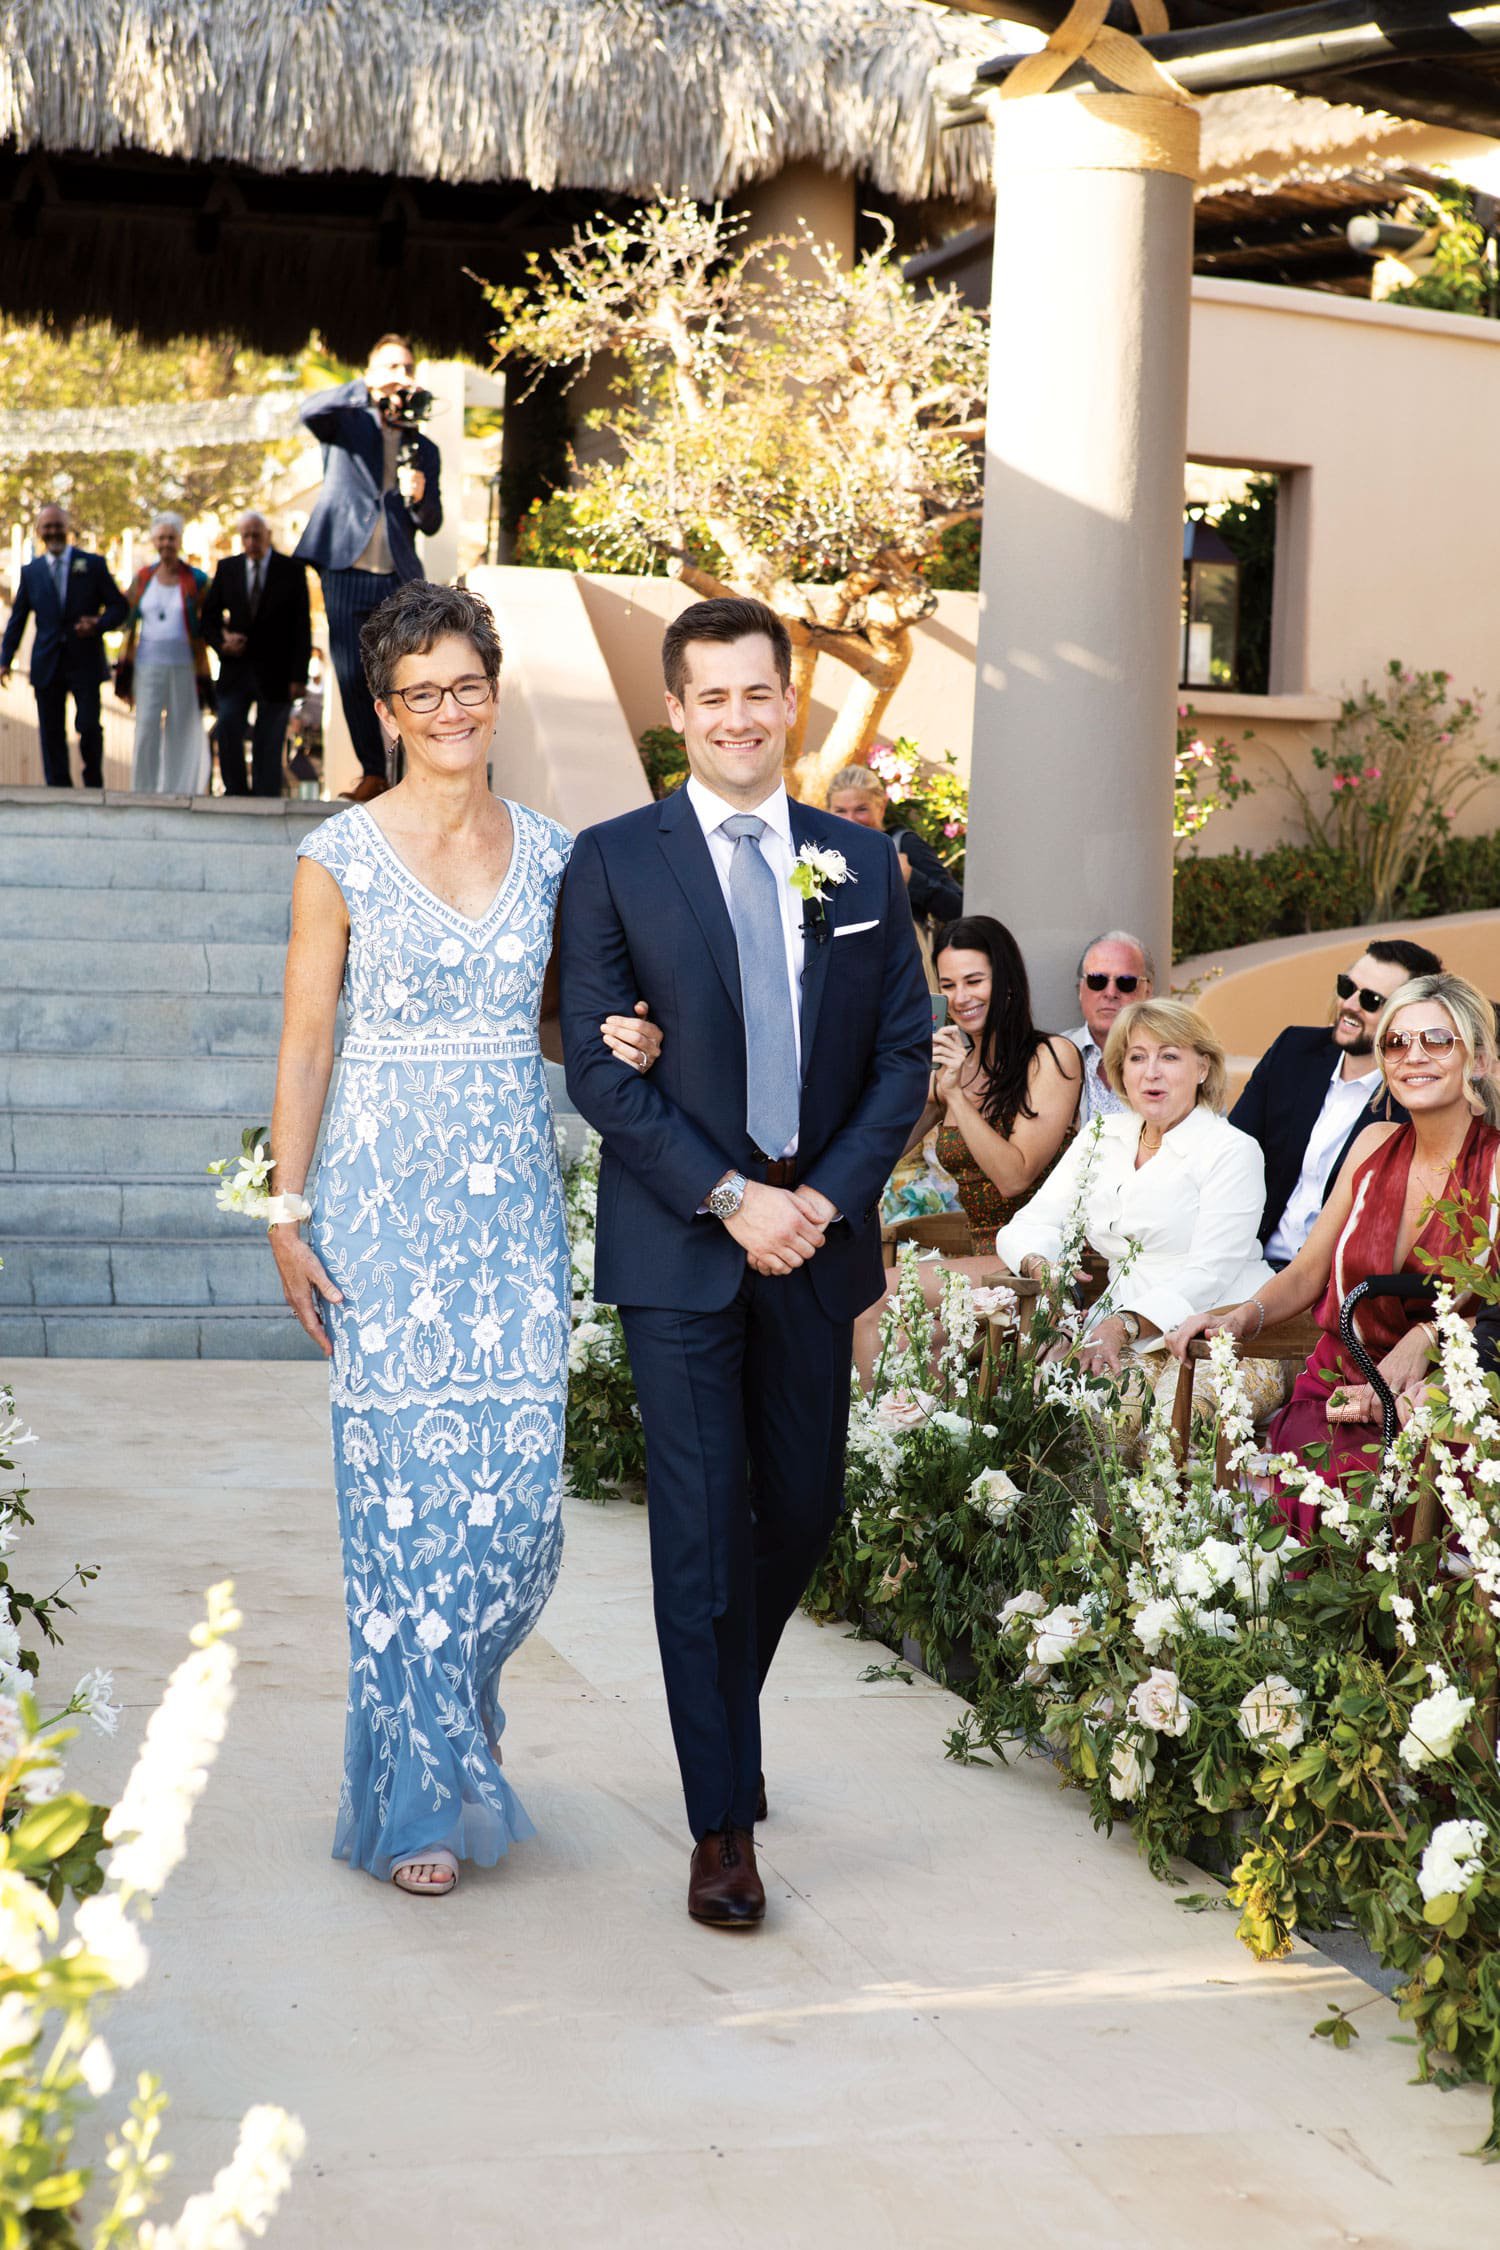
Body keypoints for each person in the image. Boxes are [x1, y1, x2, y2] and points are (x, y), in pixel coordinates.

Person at [265, 579, 659, 1896]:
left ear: (496, 694)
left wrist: (626, 1037)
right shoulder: (338, 856)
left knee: (515, 1512)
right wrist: (287, 1207)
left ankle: (454, 1706)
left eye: (467, 685)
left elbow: (563, 1018)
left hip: (506, 1219)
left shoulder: (556, 854)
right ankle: (422, 1782)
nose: (448, 709)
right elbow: (308, 1038)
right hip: (379, 1212)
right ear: (385, 710)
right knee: (400, 1507)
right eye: (420, 691)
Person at [559, 595, 931, 1930]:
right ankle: (723, 1823)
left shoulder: (863, 863)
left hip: (814, 1246)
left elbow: (902, 1057)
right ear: (677, 713)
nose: (735, 717)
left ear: (790, 703)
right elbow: (601, 1066)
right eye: (708, 697)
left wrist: (818, 1203)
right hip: (683, 1246)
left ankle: (718, 1703)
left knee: (808, 1506)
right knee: (702, 1536)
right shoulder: (613, 859)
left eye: (756, 693)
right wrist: (730, 1198)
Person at [1171, 972, 1500, 1535]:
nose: (1413, 1056)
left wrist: (1426, 1344)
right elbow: (1306, 1273)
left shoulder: (1495, 1167)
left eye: (1437, 1040)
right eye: (1397, 1042)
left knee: (1389, 1507)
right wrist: (1239, 1317)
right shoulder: (1372, 1145)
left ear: (1477, 1060)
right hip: (1333, 1391)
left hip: (1437, 1407)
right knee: (1323, 1484)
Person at [996, 998, 1271, 1393]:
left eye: (1170, 1057)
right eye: (1137, 1058)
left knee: (1177, 1429)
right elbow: (1027, 1225)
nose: (1151, 1073)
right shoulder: (1100, 1135)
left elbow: (1211, 1272)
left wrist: (1123, 1323)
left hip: (1219, 1330)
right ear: (1120, 1072)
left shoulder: (1232, 1149)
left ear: (1202, 1068)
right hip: (1117, 1322)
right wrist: (1044, 1266)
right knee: (1090, 1425)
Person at [853, 913, 1082, 1385]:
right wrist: (913, 1078)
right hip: (981, 1261)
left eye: (974, 981)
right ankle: (897, 1451)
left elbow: (1015, 1175)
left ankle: (866, 1439)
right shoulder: (952, 1068)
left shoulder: (1052, 1056)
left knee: (870, 1298)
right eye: (948, 984)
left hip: (1039, 1260)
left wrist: (957, 1095)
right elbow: (880, 1154)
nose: (961, 998)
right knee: (901, 1346)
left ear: (1007, 981)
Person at [293, 334, 442, 803]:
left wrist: (420, 499)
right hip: (346, 566)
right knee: (352, 675)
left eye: (408, 367)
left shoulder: (425, 446)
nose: (402, 376)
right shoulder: (345, 422)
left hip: (399, 574)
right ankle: (374, 773)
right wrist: (367, 387)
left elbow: (431, 522)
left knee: (410, 673)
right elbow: (307, 411)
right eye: (392, 366)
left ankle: (415, 771)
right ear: (375, 372)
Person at [1230, 937, 1443, 1262]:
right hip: (1245, 1259)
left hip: (1329, 1287)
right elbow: (1233, 1150)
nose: (1350, 1004)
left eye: (1371, 999)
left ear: (1405, 1016)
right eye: (1348, 987)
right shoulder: (1293, 1050)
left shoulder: (1414, 1099)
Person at [0, 504, 128, 788]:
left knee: (88, 725)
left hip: (85, 661)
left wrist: (97, 623)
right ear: (39, 532)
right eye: (47, 527)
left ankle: (93, 782)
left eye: (57, 525)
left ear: (67, 529)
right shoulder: (31, 572)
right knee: (51, 731)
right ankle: (58, 788)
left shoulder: (92, 565)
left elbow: (120, 607)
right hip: (47, 663)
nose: (53, 532)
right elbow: (18, 620)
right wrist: (4, 660)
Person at [202, 512, 313, 797]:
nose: (251, 541)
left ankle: (266, 795)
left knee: (270, 737)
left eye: (256, 535)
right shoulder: (228, 569)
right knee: (227, 725)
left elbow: (302, 627)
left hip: (277, 671)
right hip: (235, 669)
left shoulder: (291, 570)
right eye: (246, 536)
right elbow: (208, 619)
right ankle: (235, 791)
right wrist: (222, 642)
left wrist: (298, 676)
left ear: (267, 536)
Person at [119, 514, 212, 795]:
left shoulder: (195, 580)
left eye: (171, 538)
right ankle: (143, 789)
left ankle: (179, 789)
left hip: (185, 664)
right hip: (148, 664)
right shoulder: (144, 578)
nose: (166, 543)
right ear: (154, 541)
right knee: (146, 726)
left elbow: (209, 620)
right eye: (161, 538)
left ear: (179, 540)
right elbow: (124, 613)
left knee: (181, 727)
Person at [826, 762, 963, 937]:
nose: (850, 820)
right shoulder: (820, 858)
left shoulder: (904, 845)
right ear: (828, 811)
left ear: (881, 807)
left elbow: (961, 910)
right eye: (840, 811)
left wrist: (912, 879)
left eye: (861, 809)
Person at [1064, 930, 1156, 1124]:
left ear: (1147, 992)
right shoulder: (1050, 1058)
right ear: (1080, 989)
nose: (1110, 992)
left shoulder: (1176, 1061)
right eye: (1097, 980)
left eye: (1126, 982)